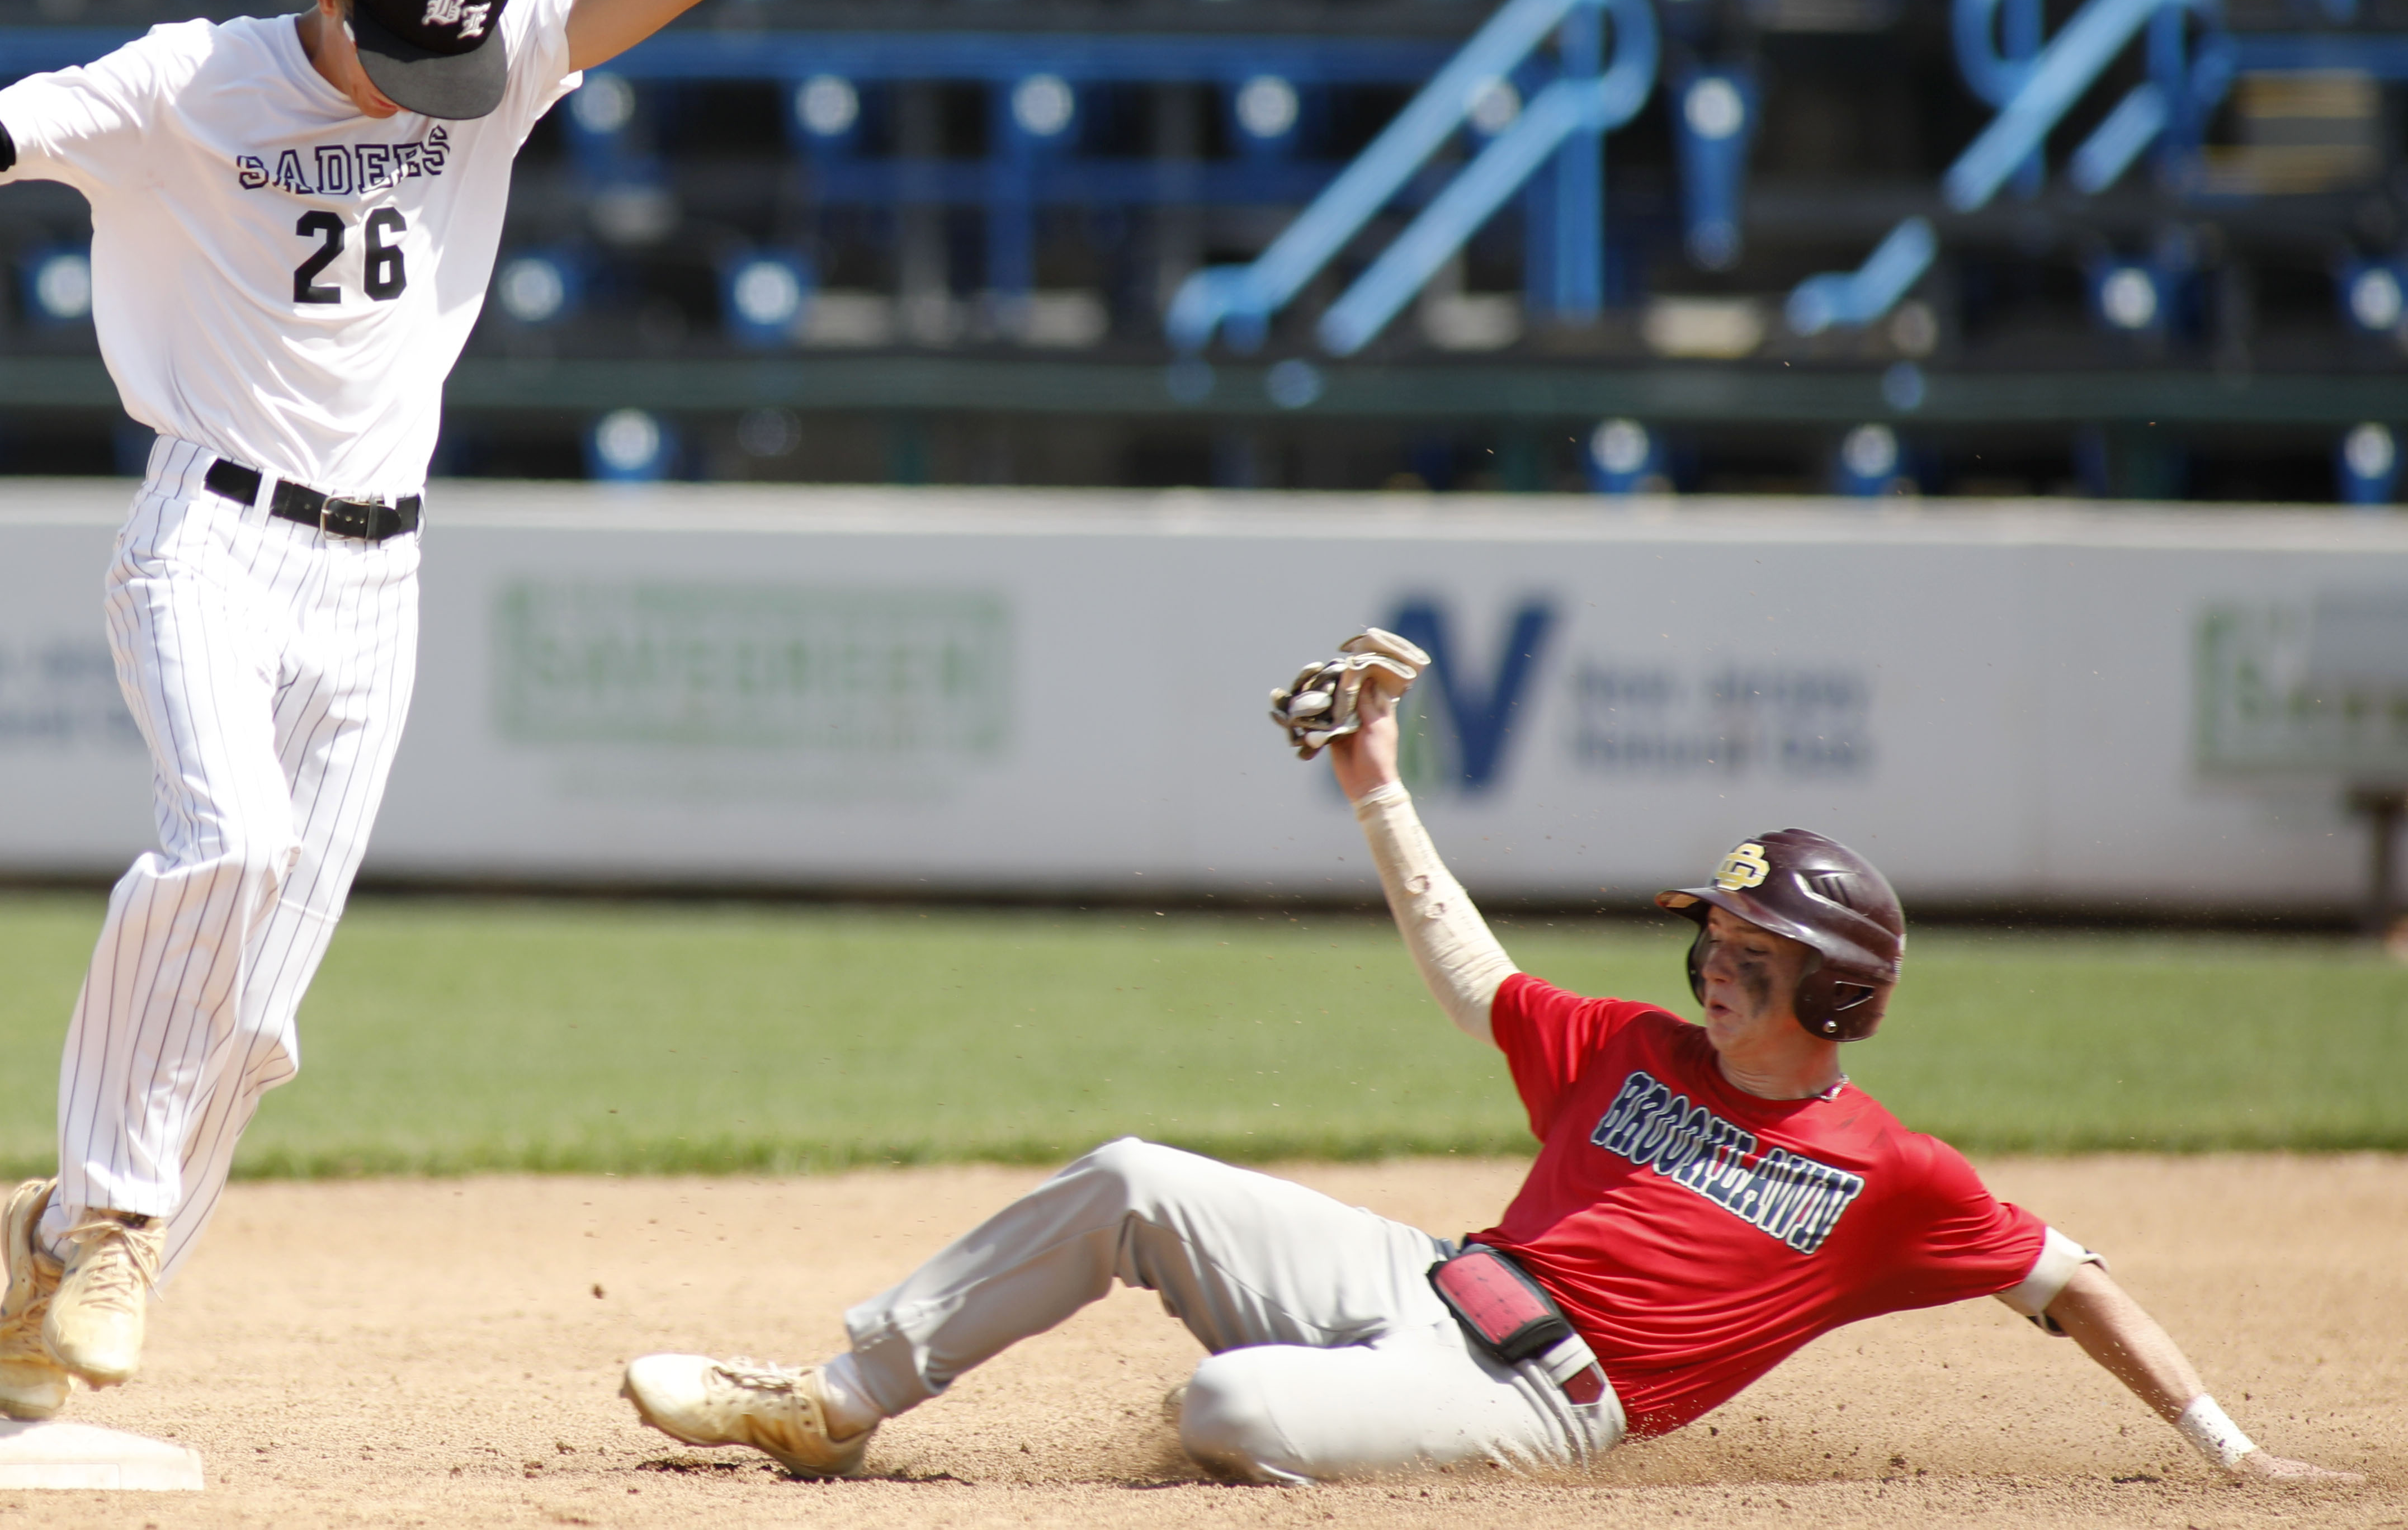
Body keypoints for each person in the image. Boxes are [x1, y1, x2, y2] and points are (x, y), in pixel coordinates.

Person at [0, 0, 772, 1420]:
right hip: (212, 536)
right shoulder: (191, 80)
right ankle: (113, 1224)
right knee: (231, 841)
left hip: (379, 588)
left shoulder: (494, 67)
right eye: (397, 53)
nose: (436, 92)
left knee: (260, 1017)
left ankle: (65, 1245)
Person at [618, 627, 2358, 1488]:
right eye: (1708, 939)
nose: (1708, 964)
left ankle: (1306, 1425)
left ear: (1830, 998)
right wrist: (1375, 787)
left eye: (1745, 955)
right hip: (1430, 1276)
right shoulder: (1636, 1048)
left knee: (1226, 1408)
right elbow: (1474, 978)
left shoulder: (1892, 1175)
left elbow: (2069, 1281)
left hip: (1542, 1399)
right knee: (1134, 1178)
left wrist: (2227, 1455)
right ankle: (840, 1401)